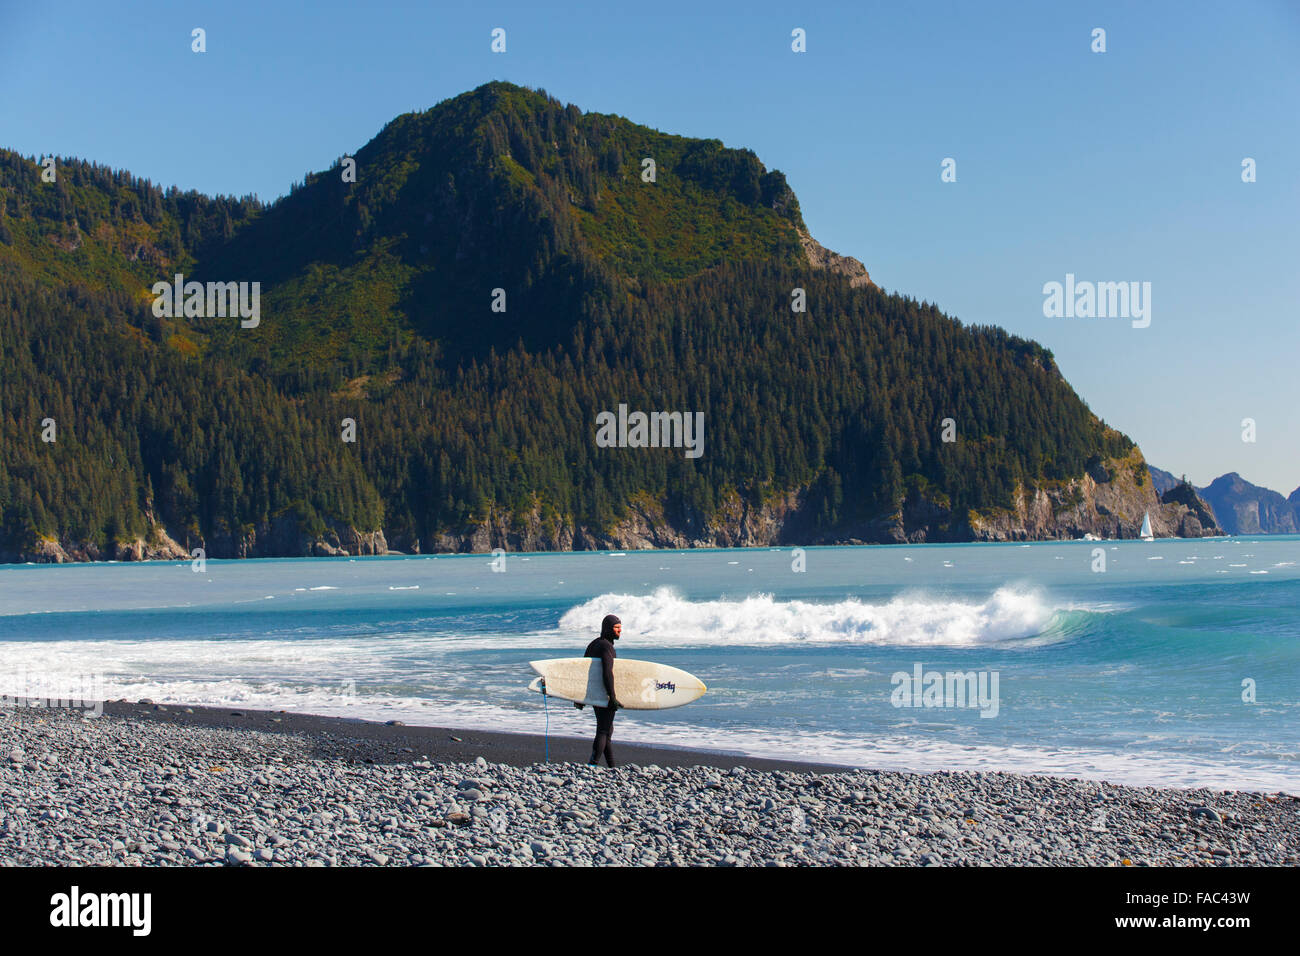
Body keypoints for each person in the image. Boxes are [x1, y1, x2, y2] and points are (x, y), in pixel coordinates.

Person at [575, 614, 622, 766]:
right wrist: (612, 696)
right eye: (616, 628)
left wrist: (580, 697)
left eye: (620, 628)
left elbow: (583, 669)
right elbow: (607, 672)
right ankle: (592, 764)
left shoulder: (594, 644)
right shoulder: (606, 647)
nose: (619, 631)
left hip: (595, 693)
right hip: (605, 694)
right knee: (603, 731)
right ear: (608, 629)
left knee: (606, 730)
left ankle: (612, 767)